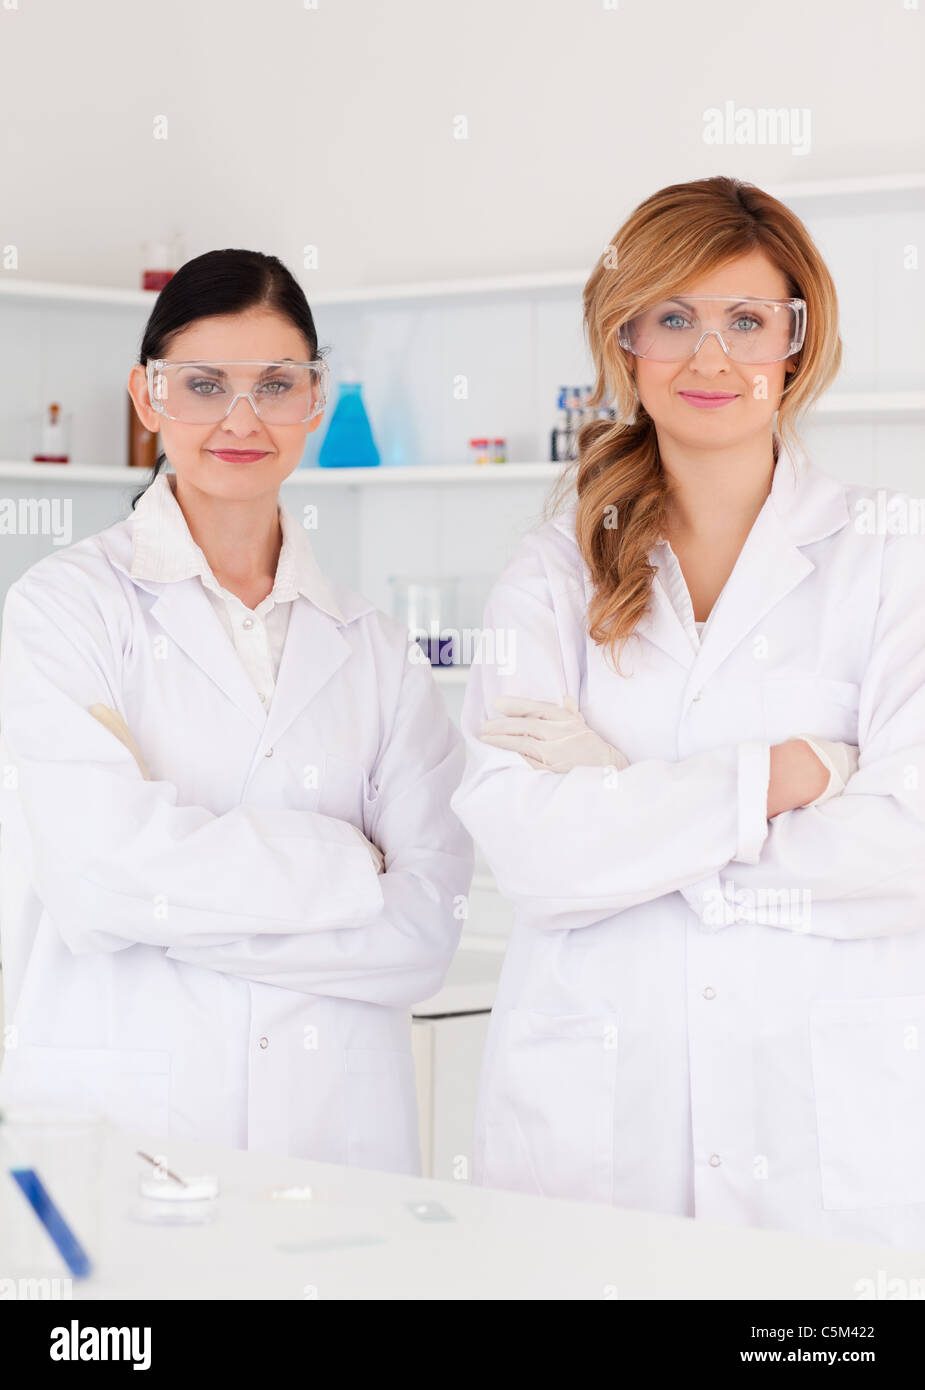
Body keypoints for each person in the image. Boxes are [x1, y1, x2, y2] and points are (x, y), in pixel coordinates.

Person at [450, 176, 925, 1248]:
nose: (710, 357)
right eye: (674, 317)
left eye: (747, 320)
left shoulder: (892, 557)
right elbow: (531, 858)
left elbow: (902, 852)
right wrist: (784, 778)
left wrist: (622, 806)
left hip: (824, 1139)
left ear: (794, 348)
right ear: (625, 343)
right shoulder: (551, 573)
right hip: (592, 1139)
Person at [0, 248, 473, 1173]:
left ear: (315, 401)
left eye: (275, 384)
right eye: (205, 385)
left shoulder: (373, 648)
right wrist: (347, 861)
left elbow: (424, 937)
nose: (241, 419)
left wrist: (165, 917)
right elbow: (100, 882)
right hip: (125, 1139)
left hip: (338, 1139)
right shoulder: (63, 609)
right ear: (148, 399)